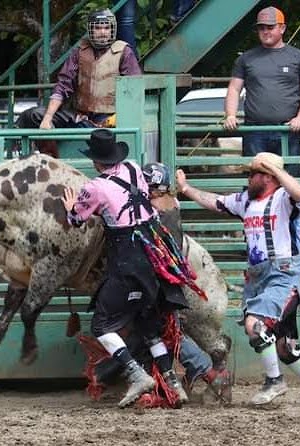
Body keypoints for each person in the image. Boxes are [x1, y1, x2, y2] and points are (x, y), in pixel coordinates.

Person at [175, 153, 300, 406]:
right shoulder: (245, 202)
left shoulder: (284, 199)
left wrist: (274, 170)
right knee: (284, 344)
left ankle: (274, 382)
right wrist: (186, 188)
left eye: (253, 174)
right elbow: (216, 202)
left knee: (255, 324)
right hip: (260, 277)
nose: (248, 179)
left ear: (269, 176)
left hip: (285, 275)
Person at [61, 130, 200, 408]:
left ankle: (137, 374)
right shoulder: (134, 168)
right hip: (152, 253)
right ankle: (173, 383)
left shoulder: (95, 187)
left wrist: (69, 207)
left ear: (96, 161)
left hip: (127, 256)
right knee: (149, 326)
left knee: (101, 324)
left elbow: (76, 219)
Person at [142, 161, 233, 403]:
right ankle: (197, 374)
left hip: (162, 279)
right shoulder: (172, 204)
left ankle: (206, 372)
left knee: (165, 331)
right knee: (167, 330)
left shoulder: (153, 210)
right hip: (172, 278)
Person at [16, 9, 142, 157]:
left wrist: (118, 116)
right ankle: (51, 159)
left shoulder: (124, 52)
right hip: (79, 116)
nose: (103, 32)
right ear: (90, 29)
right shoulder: (80, 51)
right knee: (33, 115)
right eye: (98, 27)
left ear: (112, 29)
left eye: (107, 27)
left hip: (109, 118)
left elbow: (135, 91)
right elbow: (63, 85)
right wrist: (48, 117)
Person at [223, 7, 300, 174]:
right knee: (256, 181)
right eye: (261, 28)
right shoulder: (246, 58)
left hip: (288, 131)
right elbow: (234, 88)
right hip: (254, 131)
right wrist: (230, 115)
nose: (265, 31)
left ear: (282, 28)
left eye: (270, 27)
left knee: (289, 181)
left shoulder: (299, 57)